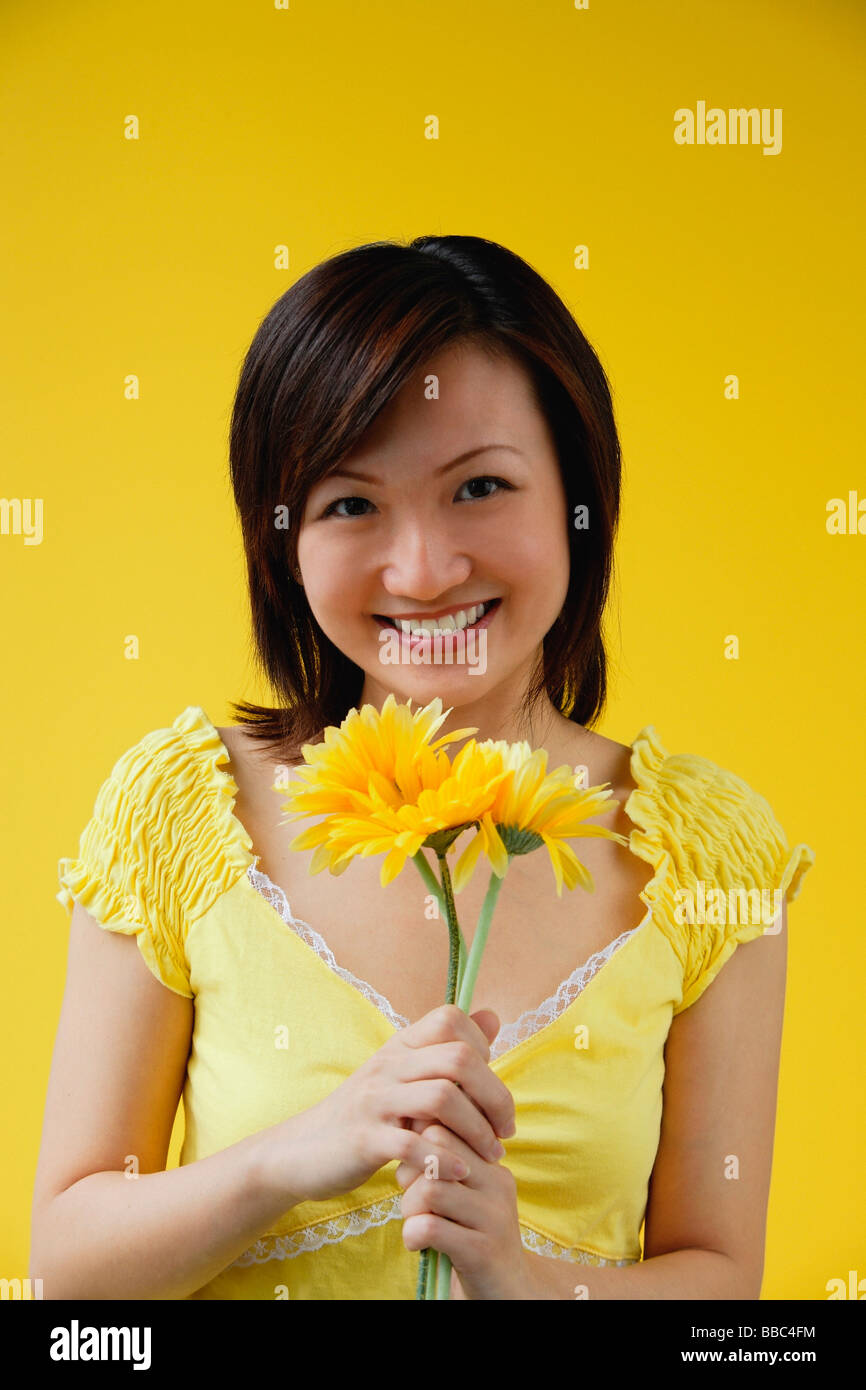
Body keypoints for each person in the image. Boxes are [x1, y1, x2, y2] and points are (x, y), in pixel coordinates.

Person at [33, 235, 815, 1300]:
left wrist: (525, 1279)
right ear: (283, 542)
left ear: (577, 499)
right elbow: (67, 1278)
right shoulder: (182, 811)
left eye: (479, 487)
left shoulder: (703, 851)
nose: (423, 570)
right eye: (350, 504)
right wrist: (296, 1152)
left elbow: (722, 1290)